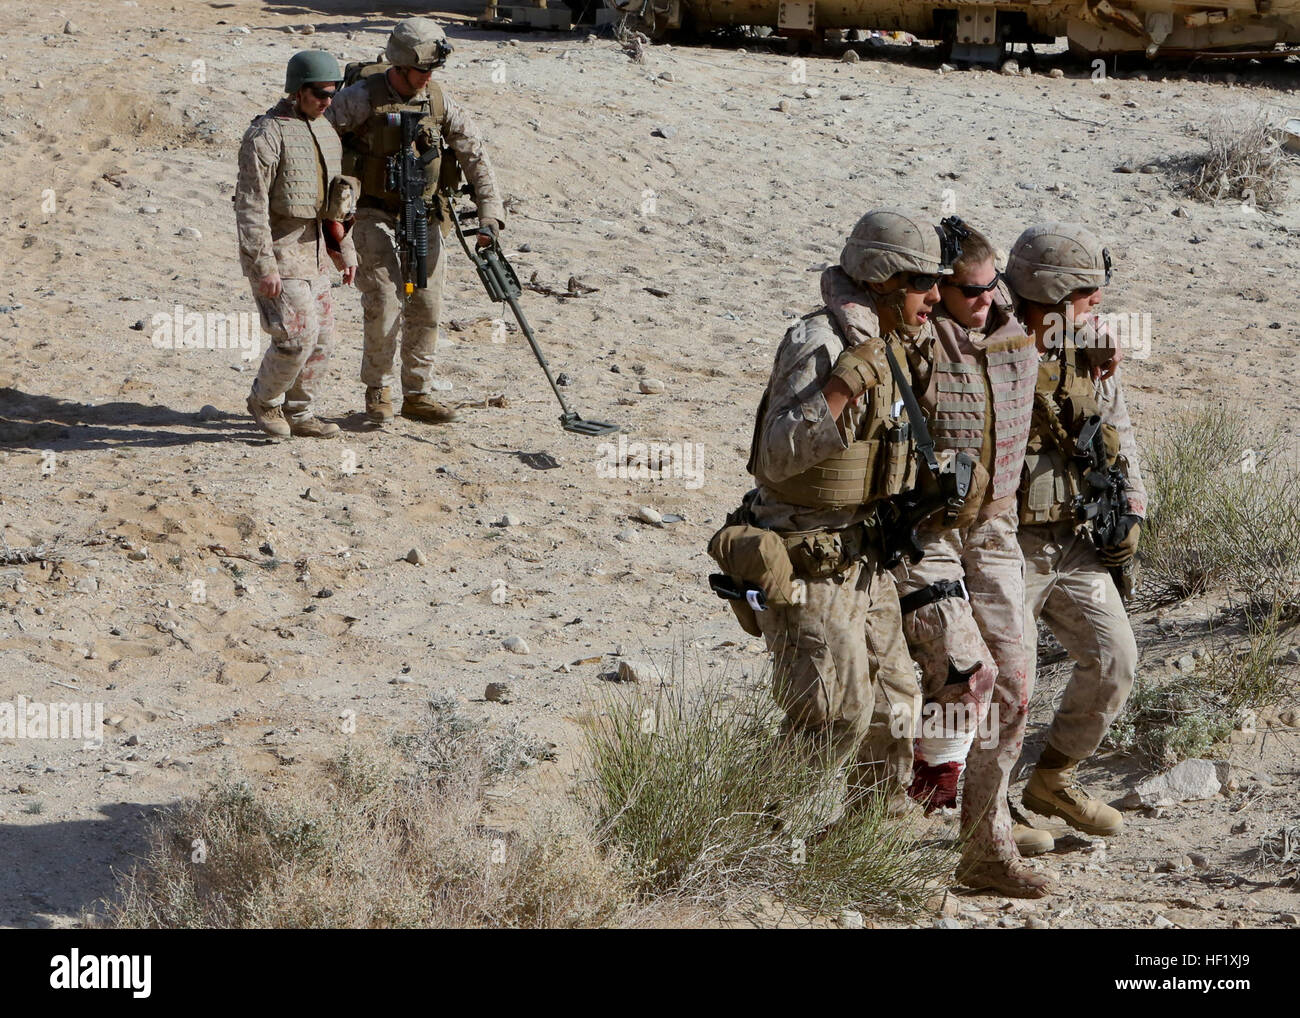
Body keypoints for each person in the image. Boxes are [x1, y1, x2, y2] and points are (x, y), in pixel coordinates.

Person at [826, 221, 1048, 896]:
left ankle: (986, 844)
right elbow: (846, 292)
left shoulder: (1014, 327)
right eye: (964, 290)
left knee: (1014, 684)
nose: (981, 300)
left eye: (990, 288)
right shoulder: (917, 333)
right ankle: (881, 819)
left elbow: (1073, 312)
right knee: (962, 670)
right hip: (926, 533)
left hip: (995, 530)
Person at [734, 209, 963, 814]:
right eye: (921, 282)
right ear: (882, 281)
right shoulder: (822, 343)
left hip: (866, 557)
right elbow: (775, 457)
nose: (934, 297)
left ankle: (873, 845)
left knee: (895, 708)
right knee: (831, 717)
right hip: (810, 557)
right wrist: (840, 389)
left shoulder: (895, 344)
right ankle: (751, 845)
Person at [1005, 223, 1146, 840]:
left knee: (1115, 658)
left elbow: (1121, 431)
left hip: (1074, 538)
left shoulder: (1091, 352)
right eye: (1088, 295)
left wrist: (1132, 510)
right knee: (1004, 680)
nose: (1098, 307)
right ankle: (982, 805)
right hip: (1002, 543)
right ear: (1055, 294)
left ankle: (1052, 779)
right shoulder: (987, 351)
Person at [326, 17, 506, 425]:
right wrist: (331, 206)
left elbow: (475, 153)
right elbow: (317, 137)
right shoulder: (362, 97)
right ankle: (378, 390)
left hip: (425, 212)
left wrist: (489, 215)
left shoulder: (437, 101)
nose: (427, 77)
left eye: (431, 71)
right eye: (422, 70)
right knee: (385, 298)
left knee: (426, 303)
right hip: (372, 210)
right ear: (401, 64)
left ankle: (418, 394)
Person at [236, 50, 357, 439]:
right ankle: (265, 401)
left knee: (323, 339)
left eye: (332, 94)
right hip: (281, 253)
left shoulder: (325, 131)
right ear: (298, 90)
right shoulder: (265, 135)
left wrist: (344, 251)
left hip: (317, 253)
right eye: (320, 94)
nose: (327, 102)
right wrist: (263, 267)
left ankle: (301, 412)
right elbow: (251, 206)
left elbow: (336, 206)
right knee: (295, 337)